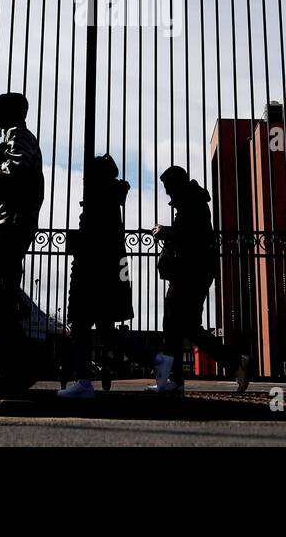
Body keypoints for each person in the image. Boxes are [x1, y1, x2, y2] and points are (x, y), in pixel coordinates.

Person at [57, 154, 172, 400]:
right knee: (106, 330)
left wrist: (77, 243)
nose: (85, 178)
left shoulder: (98, 200)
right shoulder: (110, 198)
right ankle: (156, 360)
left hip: (92, 274)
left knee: (80, 326)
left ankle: (84, 381)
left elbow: (93, 239)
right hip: (108, 273)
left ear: (96, 176)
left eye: (88, 174)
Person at [151, 165, 252, 395]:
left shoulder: (190, 203)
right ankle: (178, 378)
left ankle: (232, 363)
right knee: (181, 326)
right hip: (194, 274)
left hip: (189, 275)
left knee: (177, 325)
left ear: (176, 185)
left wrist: (164, 231)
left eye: (168, 188)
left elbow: (188, 236)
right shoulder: (193, 201)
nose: (167, 193)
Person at [0, 92, 44, 393]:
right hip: (8, 225)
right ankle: (19, 366)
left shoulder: (18, 136)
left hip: (11, 225)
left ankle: (19, 368)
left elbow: (14, 170)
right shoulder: (15, 137)